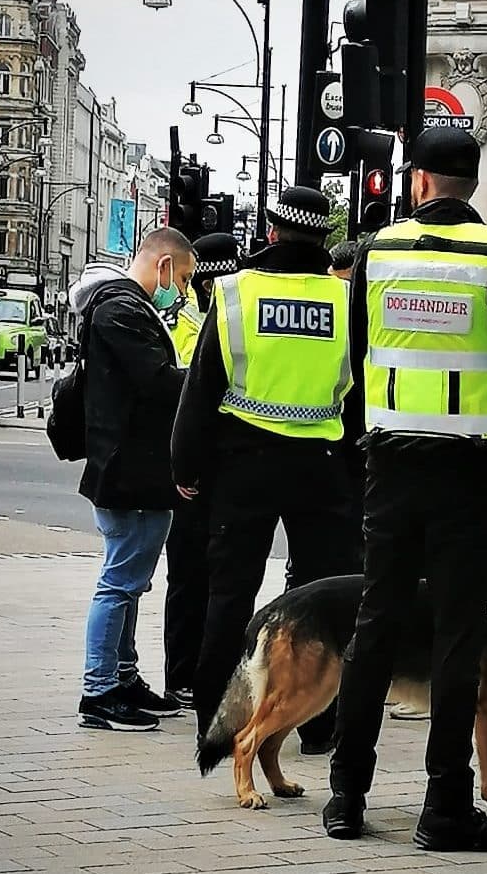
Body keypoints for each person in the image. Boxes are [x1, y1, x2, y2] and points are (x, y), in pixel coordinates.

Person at [323, 127, 487, 852]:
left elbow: (359, 349)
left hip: (390, 460)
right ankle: (444, 807)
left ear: (418, 181)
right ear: (472, 185)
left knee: (375, 625)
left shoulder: (377, 250)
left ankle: (347, 797)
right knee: (458, 635)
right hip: (465, 468)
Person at [173, 186, 358, 755]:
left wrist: (187, 464)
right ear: (324, 238)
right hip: (321, 468)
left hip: (242, 466)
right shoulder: (347, 301)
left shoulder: (234, 293)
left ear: (272, 232)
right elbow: (360, 399)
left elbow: (202, 390)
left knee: (229, 596)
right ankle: (321, 724)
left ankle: (217, 720)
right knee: (321, 595)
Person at [71, 228, 196, 732]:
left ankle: (123, 677)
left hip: (137, 466)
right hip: (125, 466)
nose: (183, 289)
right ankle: (99, 691)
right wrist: (208, 375)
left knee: (131, 581)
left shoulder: (126, 306)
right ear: (163, 264)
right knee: (120, 581)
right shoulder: (119, 309)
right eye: (182, 277)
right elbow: (157, 381)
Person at [161, 232, 241, 710]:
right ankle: (182, 673)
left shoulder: (213, 313)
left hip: (218, 465)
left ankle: (203, 671)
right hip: (195, 466)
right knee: (191, 576)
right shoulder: (187, 317)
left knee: (214, 579)